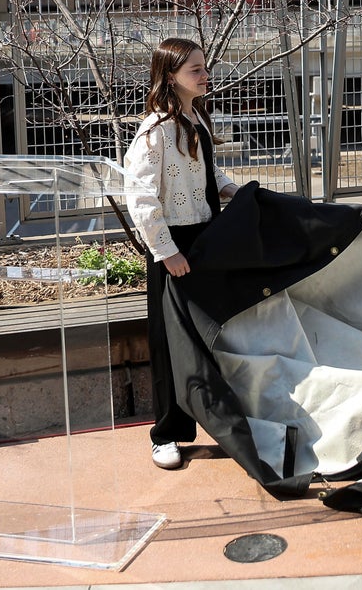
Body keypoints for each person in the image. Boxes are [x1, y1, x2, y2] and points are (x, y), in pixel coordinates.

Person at [124, 37, 240, 469]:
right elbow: (140, 195)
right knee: (169, 340)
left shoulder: (194, 117)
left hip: (203, 236)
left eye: (204, 66)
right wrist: (165, 250)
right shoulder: (155, 132)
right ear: (170, 76)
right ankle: (166, 434)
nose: (204, 74)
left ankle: (221, 420)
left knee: (210, 334)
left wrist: (228, 188)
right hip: (175, 245)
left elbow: (206, 169)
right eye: (195, 69)